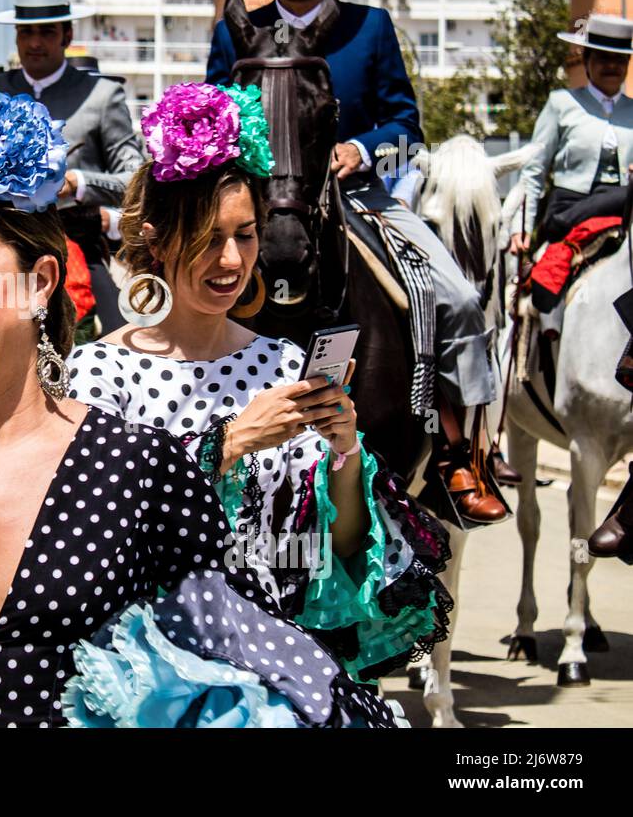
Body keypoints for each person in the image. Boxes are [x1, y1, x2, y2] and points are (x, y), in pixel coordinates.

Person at [0, 87, 399, 727]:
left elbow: (236, 632)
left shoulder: (144, 460)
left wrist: (345, 451)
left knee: (439, 293)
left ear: (41, 281)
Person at [66, 81, 451, 682]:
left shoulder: (284, 363)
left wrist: (347, 451)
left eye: (245, 234)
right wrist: (232, 441)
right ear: (156, 240)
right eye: (206, 236)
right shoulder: (98, 373)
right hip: (156, 678)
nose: (230, 260)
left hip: (285, 668)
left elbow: (344, 548)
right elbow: (99, 537)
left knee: (448, 293)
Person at [206, 0, 507, 524]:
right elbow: (211, 120)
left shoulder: (370, 27)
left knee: (454, 296)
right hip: (259, 204)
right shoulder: (235, 33)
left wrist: (360, 149)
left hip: (356, 196)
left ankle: (459, 452)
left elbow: (406, 125)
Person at [0, 0, 145, 334]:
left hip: (78, 242)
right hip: (4, 238)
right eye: (26, 33)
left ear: (67, 35)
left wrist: (78, 183)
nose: (36, 43)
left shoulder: (103, 95)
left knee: (121, 333)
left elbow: (136, 179)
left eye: (47, 32)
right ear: (16, 38)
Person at [513, 15, 633, 318]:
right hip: (570, 207)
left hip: (624, 208)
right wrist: (523, 226)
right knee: (543, 295)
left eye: (620, 60)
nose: (612, 67)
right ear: (587, 60)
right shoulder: (560, 103)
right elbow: (534, 169)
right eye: (604, 58)